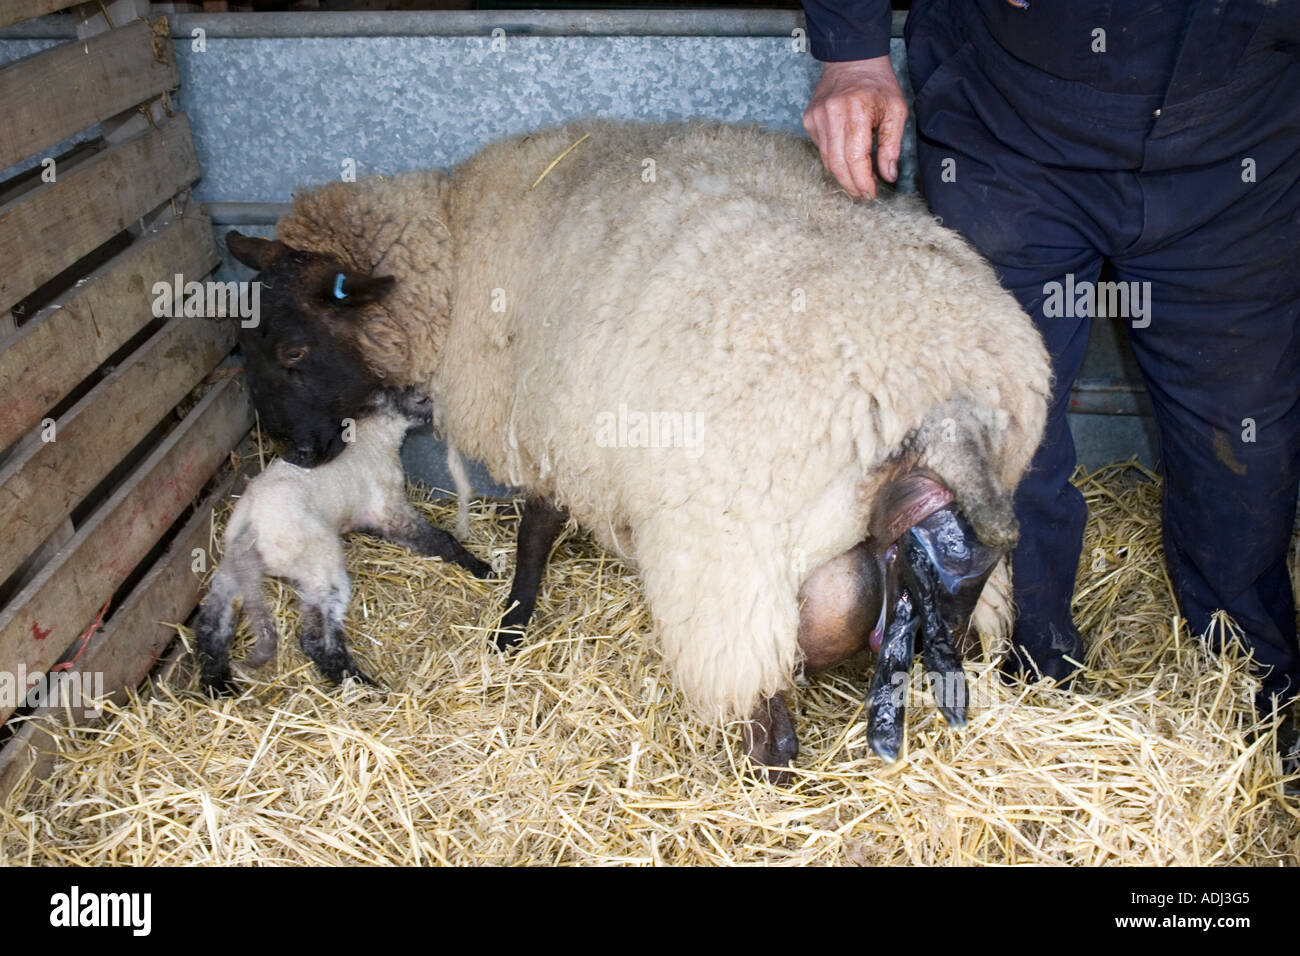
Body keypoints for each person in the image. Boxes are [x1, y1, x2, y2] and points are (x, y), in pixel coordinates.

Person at [798, 0, 1300, 730]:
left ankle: (1253, 684)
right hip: (1011, 128)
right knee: (1002, 437)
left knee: (1247, 448)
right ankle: (1033, 681)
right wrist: (852, 49)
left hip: (1240, 135)